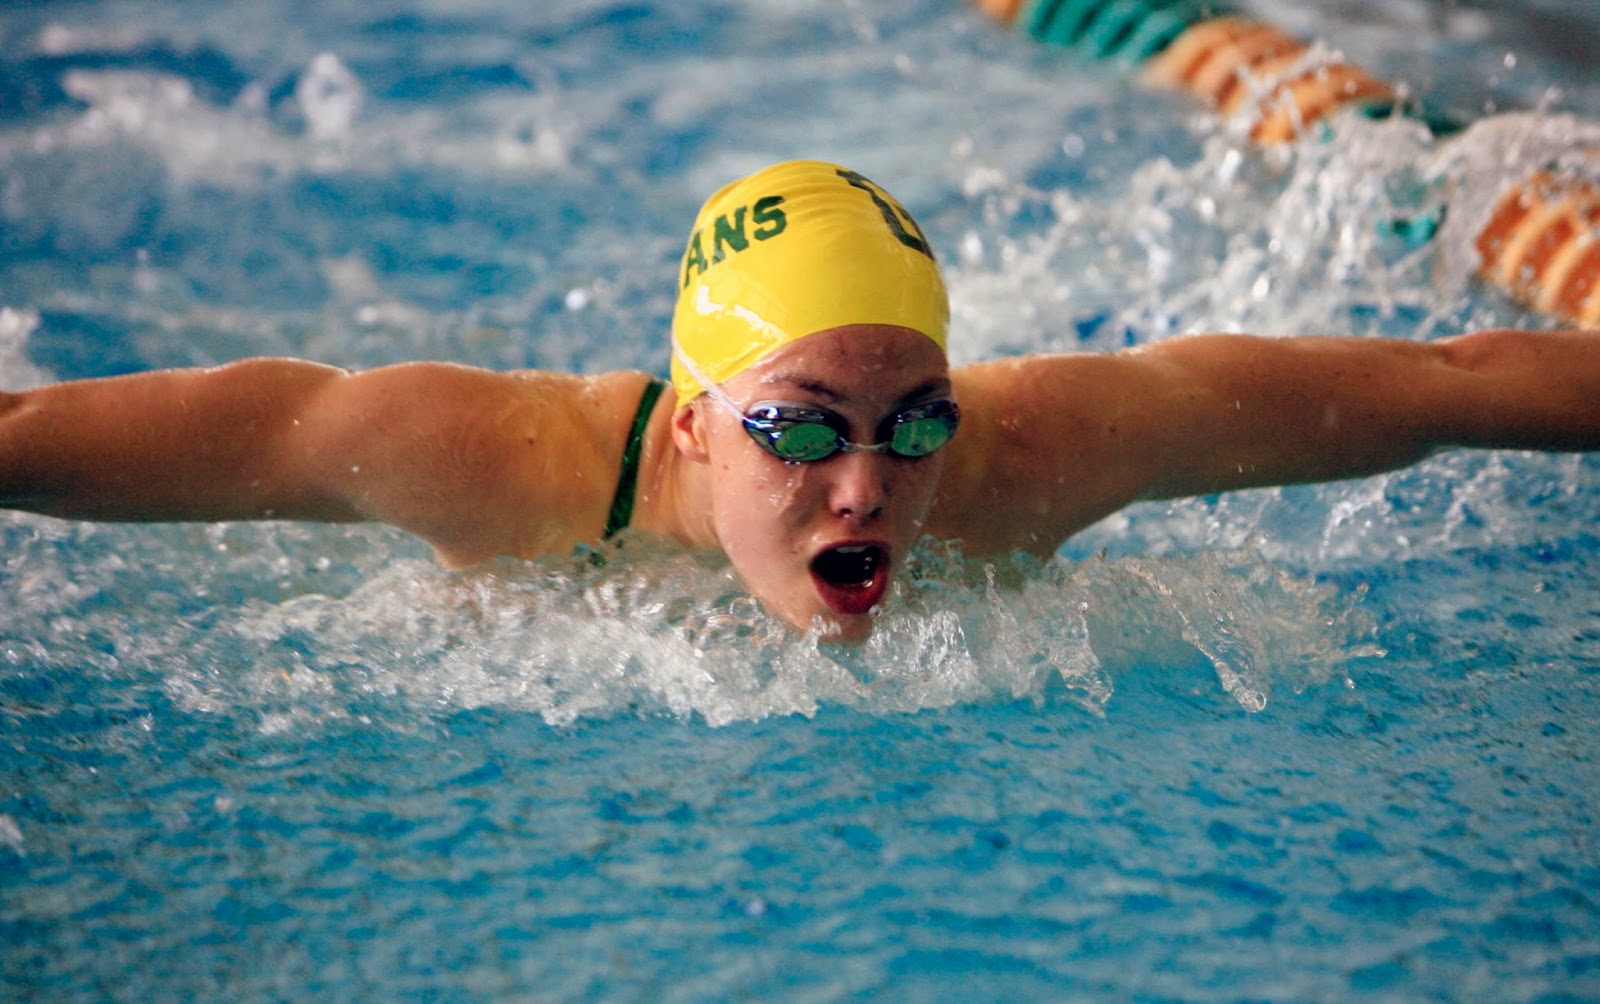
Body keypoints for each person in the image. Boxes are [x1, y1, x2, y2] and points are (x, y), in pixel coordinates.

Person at [2, 159, 1597, 641]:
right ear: (694, 418)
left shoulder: (1030, 454)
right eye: (803, 423)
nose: (868, 486)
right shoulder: (491, 463)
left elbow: (1432, 384)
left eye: (915, 419)